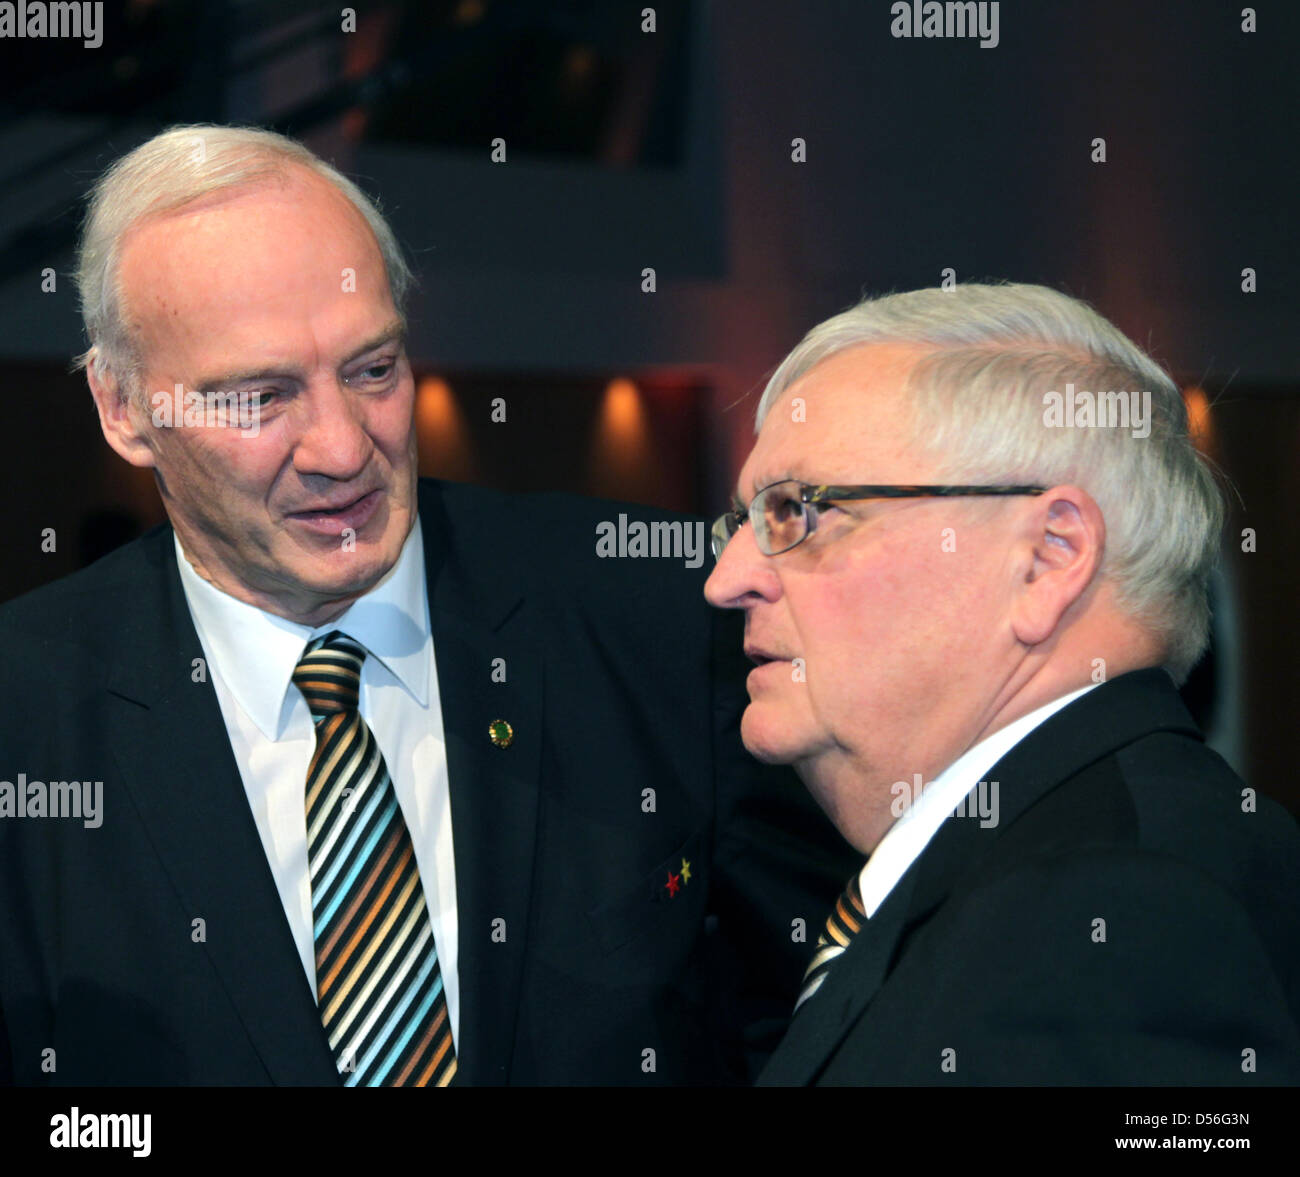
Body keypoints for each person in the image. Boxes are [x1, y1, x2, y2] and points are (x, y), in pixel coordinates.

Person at [0, 124, 854, 1086]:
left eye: (372, 370)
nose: (341, 448)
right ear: (124, 409)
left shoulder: (660, 614)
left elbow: (826, 1015)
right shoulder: (29, 712)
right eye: (259, 398)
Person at [705, 283, 1300, 1085]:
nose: (728, 576)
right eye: (740, 521)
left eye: (799, 511)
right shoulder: (1054, 870)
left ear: (1049, 557)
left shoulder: (1111, 910)